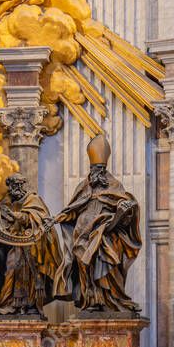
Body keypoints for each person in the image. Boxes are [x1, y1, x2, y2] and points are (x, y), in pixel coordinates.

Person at [54, 134, 141, 313]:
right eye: (95, 168)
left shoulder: (115, 186)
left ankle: (111, 300)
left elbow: (126, 215)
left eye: (101, 169)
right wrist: (59, 217)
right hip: (82, 234)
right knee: (84, 266)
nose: (97, 173)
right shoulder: (83, 187)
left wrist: (122, 213)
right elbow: (72, 210)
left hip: (105, 235)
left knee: (106, 262)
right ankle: (90, 301)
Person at [0, 174, 61, 318]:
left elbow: (39, 219)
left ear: (20, 186)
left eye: (15, 186)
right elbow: (1, 225)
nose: (12, 190)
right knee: (11, 268)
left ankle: (30, 306)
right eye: (11, 187)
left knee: (25, 273)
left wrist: (16, 216)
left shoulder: (33, 200)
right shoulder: (6, 202)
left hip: (33, 248)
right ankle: (9, 304)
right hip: (14, 245)